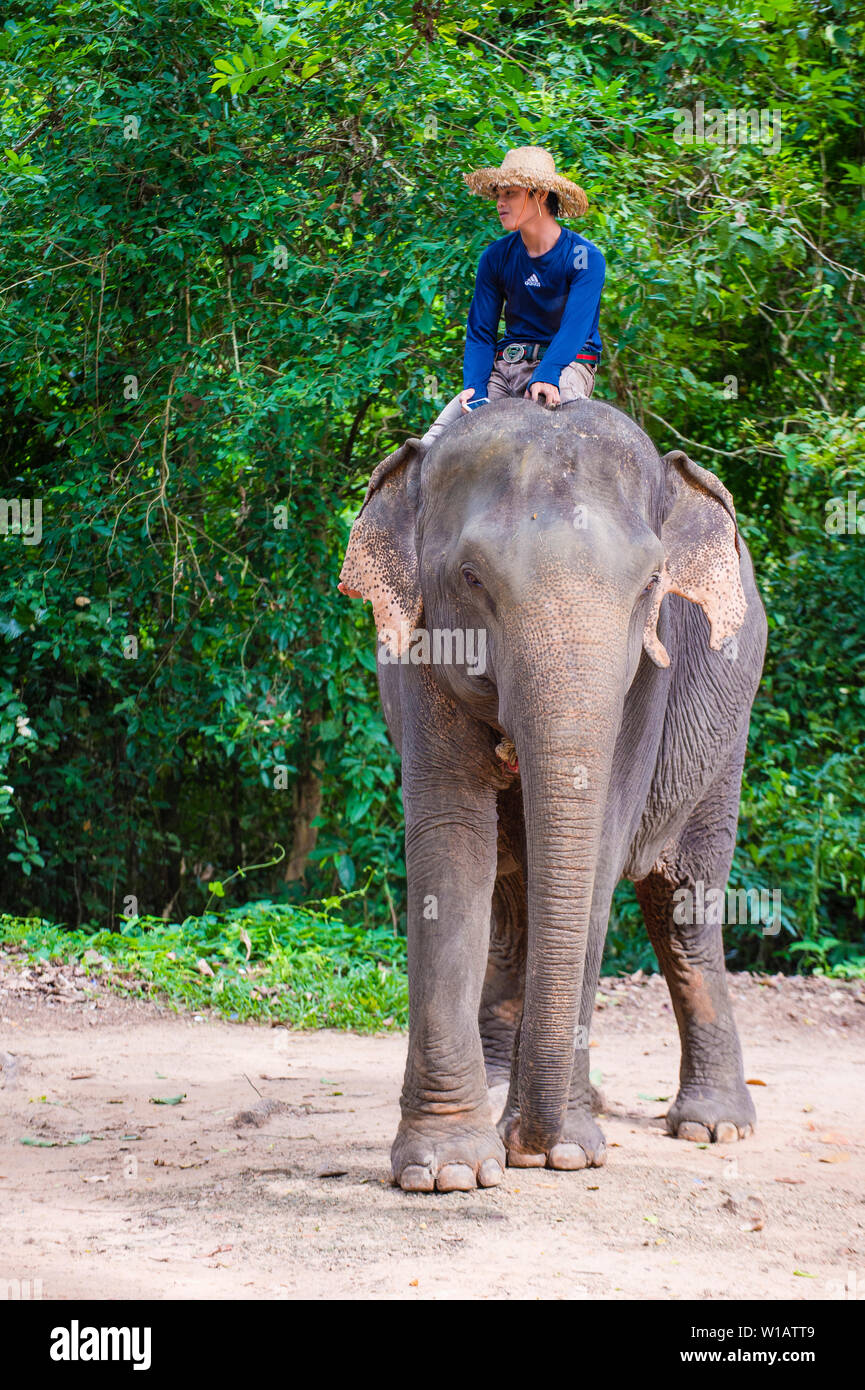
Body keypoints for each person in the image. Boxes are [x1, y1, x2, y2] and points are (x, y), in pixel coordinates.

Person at [420, 145, 605, 448]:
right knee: (432, 445)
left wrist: (548, 372)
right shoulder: (495, 257)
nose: (500, 203)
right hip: (507, 368)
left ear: (540, 194)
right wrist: (475, 387)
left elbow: (576, 327)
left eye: (510, 194)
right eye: (498, 195)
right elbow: (481, 331)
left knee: (568, 443)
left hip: (568, 366)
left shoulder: (584, 257)